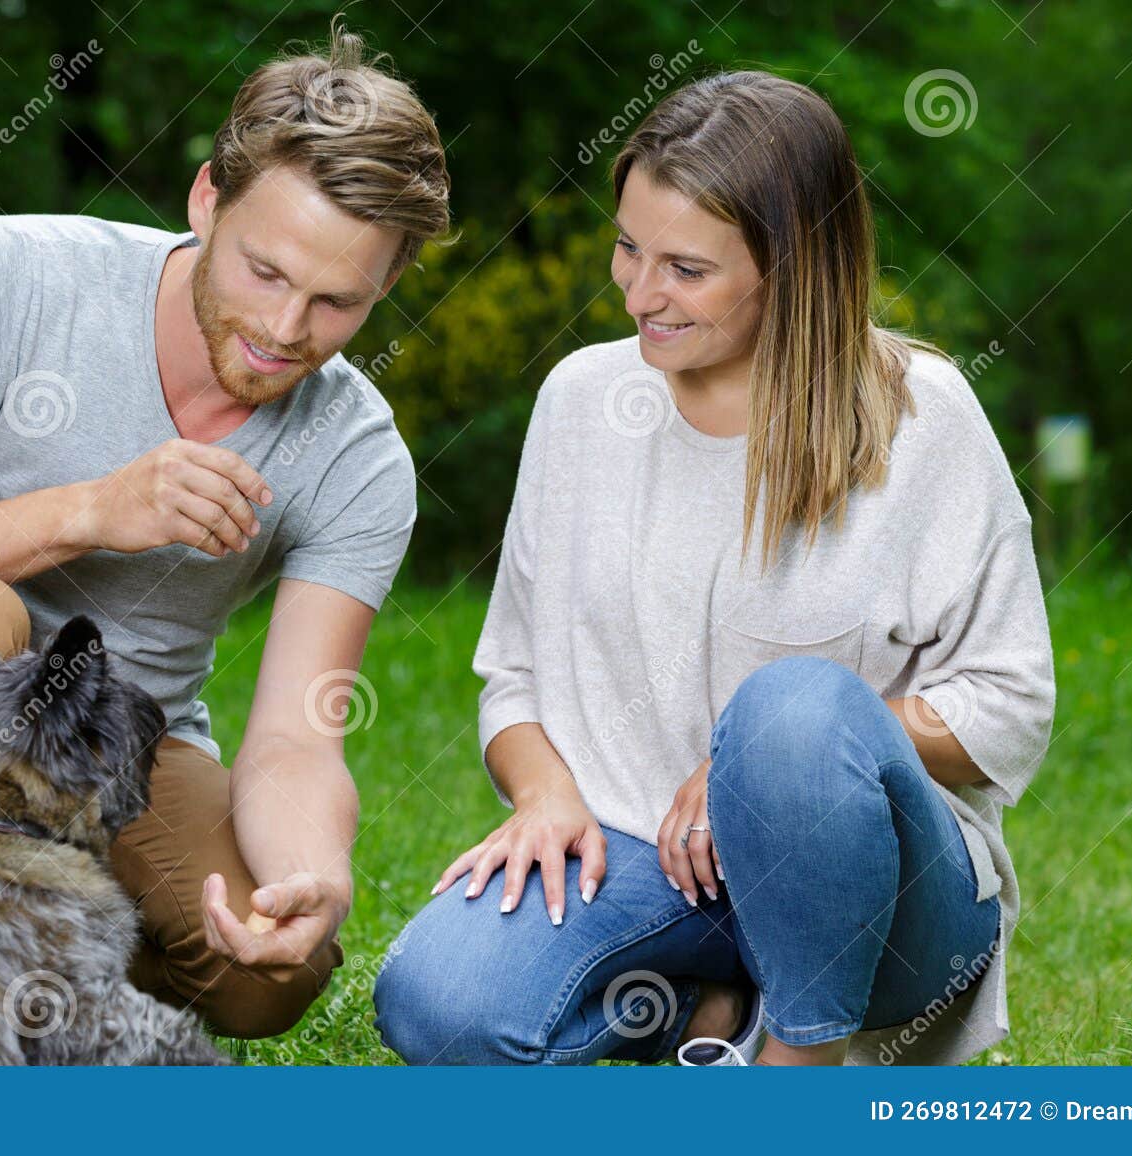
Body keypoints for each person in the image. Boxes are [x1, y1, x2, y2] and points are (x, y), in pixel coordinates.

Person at [0, 24, 449, 1039]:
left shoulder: (357, 454)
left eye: (335, 302)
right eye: (264, 272)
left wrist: (315, 869)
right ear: (205, 200)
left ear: (386, 285)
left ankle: (39, 966)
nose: (282, 331)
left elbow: (294, 738)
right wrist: (93, 509)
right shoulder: (10, 274)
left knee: (274, 970)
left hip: (111, 762)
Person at [373, 70, 1054, 1066]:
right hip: (641, 861)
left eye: (685, 269)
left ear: (791, 266)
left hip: (889, 902)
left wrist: (760, 766)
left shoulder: (924, 417)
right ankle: (714, 1010)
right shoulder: (579, 404)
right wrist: (543, 795)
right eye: (626, 246)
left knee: (793, 714)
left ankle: (799, 1060)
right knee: (439, 1004)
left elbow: (1009, 703)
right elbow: (512, 676)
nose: (638, 293)